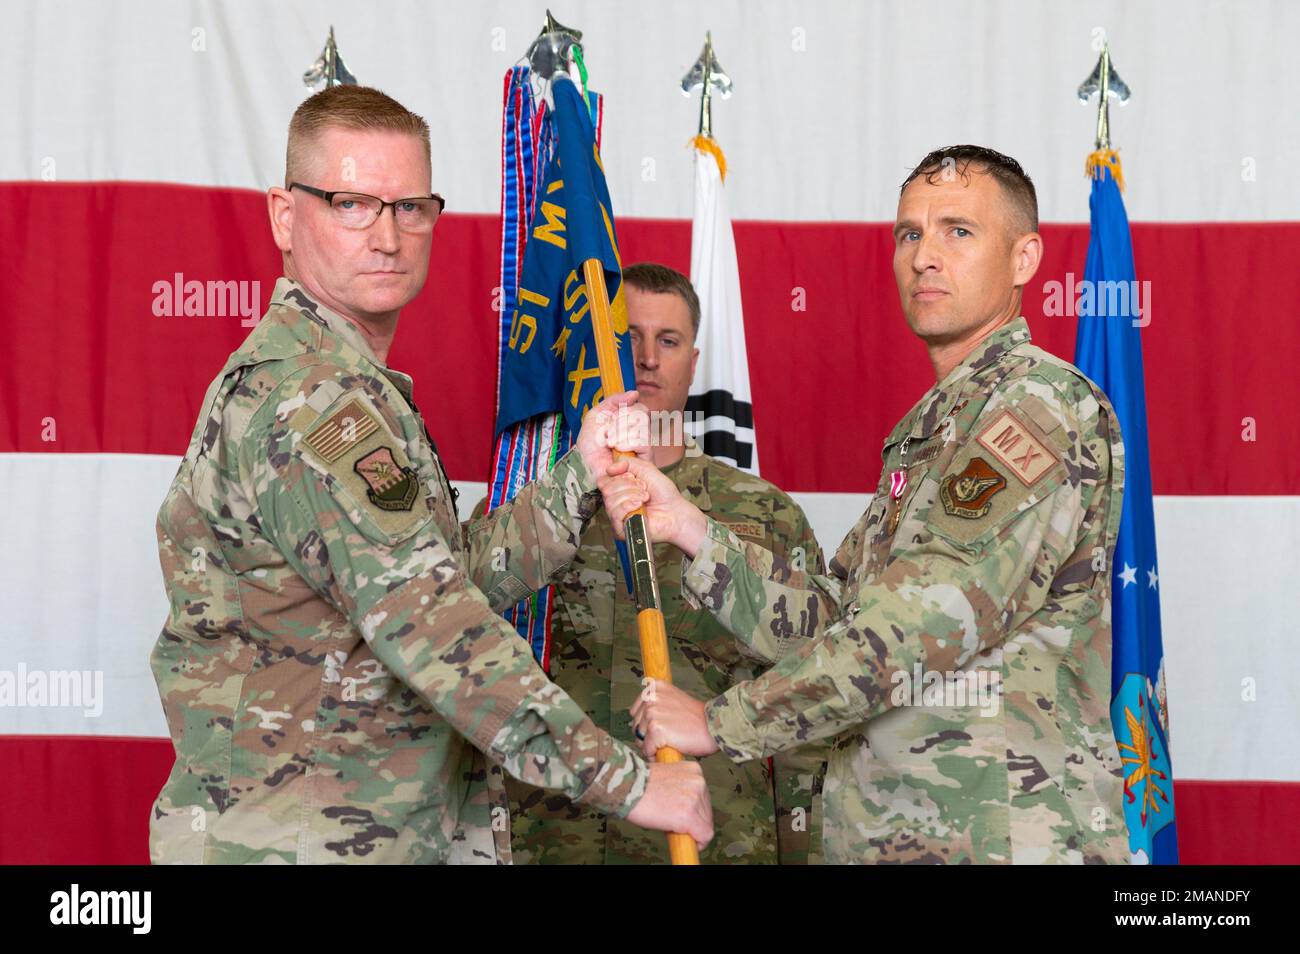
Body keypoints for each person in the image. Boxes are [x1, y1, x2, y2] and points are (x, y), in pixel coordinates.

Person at [147, 85, 712, 864]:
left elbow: (441, 577)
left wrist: (574, 475)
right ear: (285, 215)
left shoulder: (349, 385)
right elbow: (434, 622)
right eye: (351, 203)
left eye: (409, 207)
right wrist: (630, 783)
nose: (386, 236)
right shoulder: (310, 400)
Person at [604, 146, 1130, 864]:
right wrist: (692, 530)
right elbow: (836, 619)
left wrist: (721, 722)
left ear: (1025, 259)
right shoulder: (931, 429)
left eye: (958, 231)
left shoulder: (1036, 407)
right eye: (909, 234)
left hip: (1000, 842)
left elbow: (913, 629)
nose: (924, 257)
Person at [485, 263, 829, 864]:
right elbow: (461, 632)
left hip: (717, 833)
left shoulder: (763, 512)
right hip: (562, 832)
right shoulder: (540, 505)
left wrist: (800, 847)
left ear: (693, 360)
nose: (645, 358)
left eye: (667, 341)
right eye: (629, 339)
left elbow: (812, 682)